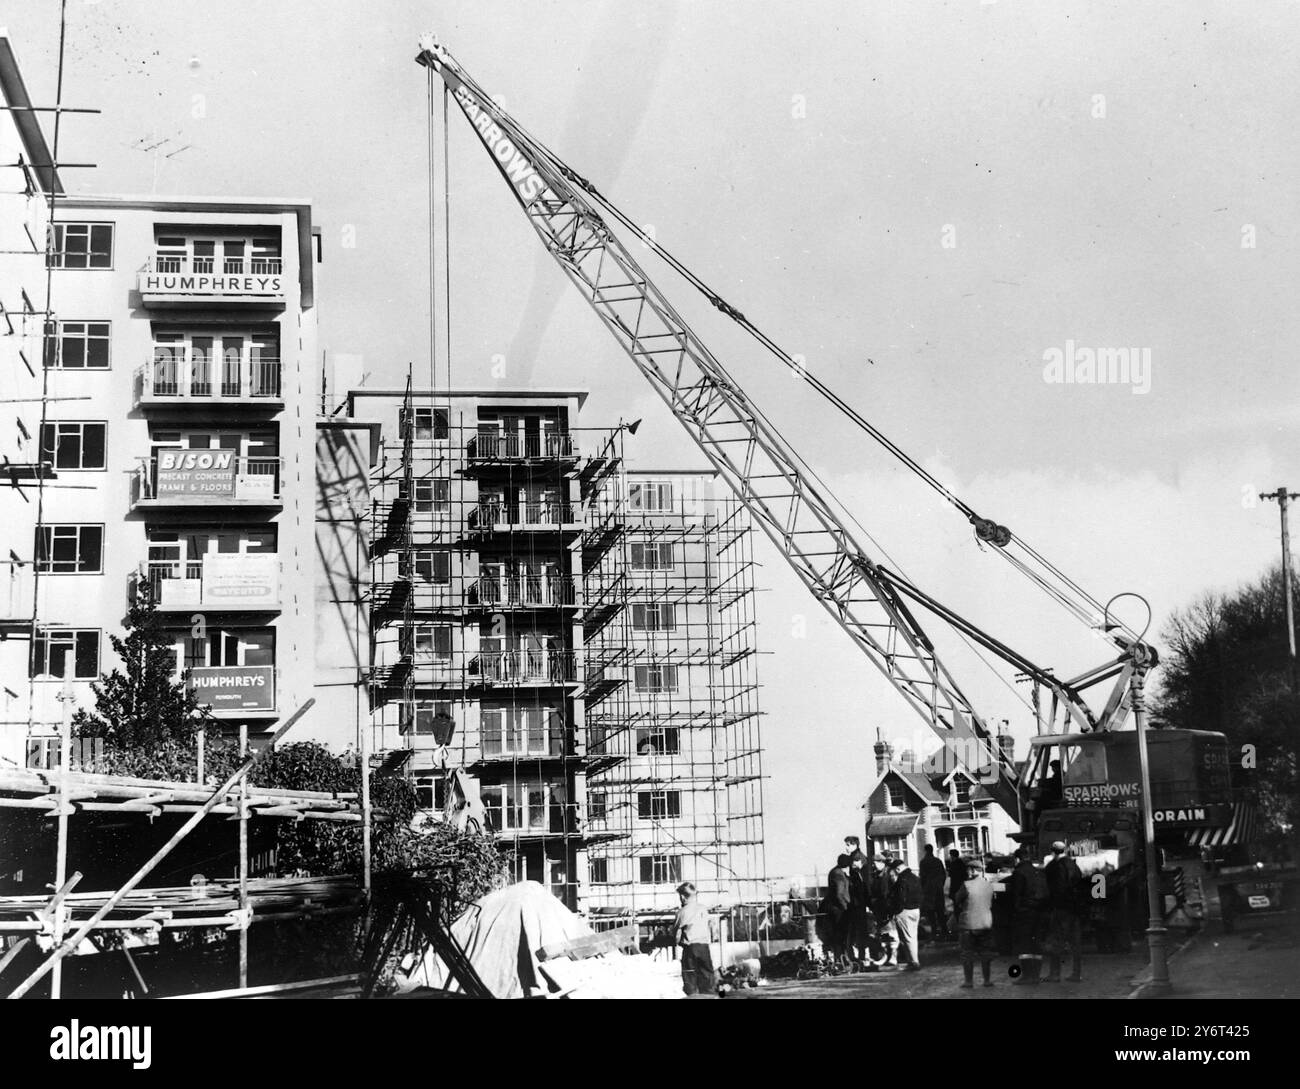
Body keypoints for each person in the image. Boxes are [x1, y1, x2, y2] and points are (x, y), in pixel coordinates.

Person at [1043, 840, 1085, 983]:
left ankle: (1055, 974)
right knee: (1075, 943)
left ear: (1052, 851)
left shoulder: (1053, 866)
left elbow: (1052, 888)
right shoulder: (1073, 864)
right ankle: (1077, 973)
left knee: (1056, 941)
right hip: (1075, 909)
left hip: (1060, 908)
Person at [1008, 847, 1049, 985]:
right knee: (1037, 943)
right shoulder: (1038, 872)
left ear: (1017, 859)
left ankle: (1027, 976)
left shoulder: (1018, 873)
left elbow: (1016, 896)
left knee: (1024, 944)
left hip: (1025, 913)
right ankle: (1036, 975)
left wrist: (1017, 911)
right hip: (1040, 912)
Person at [953, 857, 996, 988]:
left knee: (967, 953)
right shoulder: (988, 885)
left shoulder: (966, 885)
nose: (967, 872)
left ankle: (969, 981)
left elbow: (957, 899)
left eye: (968, 869)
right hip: (985, 923)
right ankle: (987, 980)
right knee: (985, 953)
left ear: (972, 870)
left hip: (969, 924)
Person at [673, 881, 716, 996]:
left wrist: (677, 941)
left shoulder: (681, 912)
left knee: (690, 979)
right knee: (707, 977)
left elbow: (675, 933)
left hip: (690, 949)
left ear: (682, 897)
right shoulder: (703, 909)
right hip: (704, 947)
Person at [887, 858, 922, 971]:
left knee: (907, 938)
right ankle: (913, 961)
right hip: (916, 909)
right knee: (912, 937)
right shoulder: (915, 878)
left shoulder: (902, 879)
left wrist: (896, 911)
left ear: (897, 869)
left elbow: (901, 897)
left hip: (905, 911)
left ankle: (914, 962)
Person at [823, 854, 853, 966]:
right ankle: (841, 959)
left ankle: (840, 959)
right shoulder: (838, 874)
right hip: (839, 910)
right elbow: (839, 894)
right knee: (841, 935)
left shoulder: (835, 872)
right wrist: (846, 907)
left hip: (836, 908)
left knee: (839, 935)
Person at [919, 844, 948, 941]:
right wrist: (940, 885)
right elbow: (943, 875)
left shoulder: (923, 862)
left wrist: (923, 888)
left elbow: (922, 876)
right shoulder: (938, 861)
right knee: (940, 911)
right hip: (938, 889)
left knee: (930, 912)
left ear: (925, 850)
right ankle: (944, 932)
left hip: (928, 890)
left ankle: (934, 932)